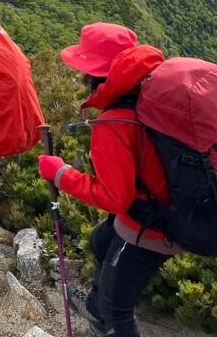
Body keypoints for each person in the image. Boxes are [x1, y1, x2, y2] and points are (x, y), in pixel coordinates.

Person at [38, 23, 177, 337]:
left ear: (94, 74)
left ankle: (107, 317)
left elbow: (115, 198)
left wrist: (60, 173)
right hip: (169, 203)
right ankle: (98, 309)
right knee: (101, 241)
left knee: (120, 311)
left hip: (152, 224)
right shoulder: (149, 92)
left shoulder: (114, 122)